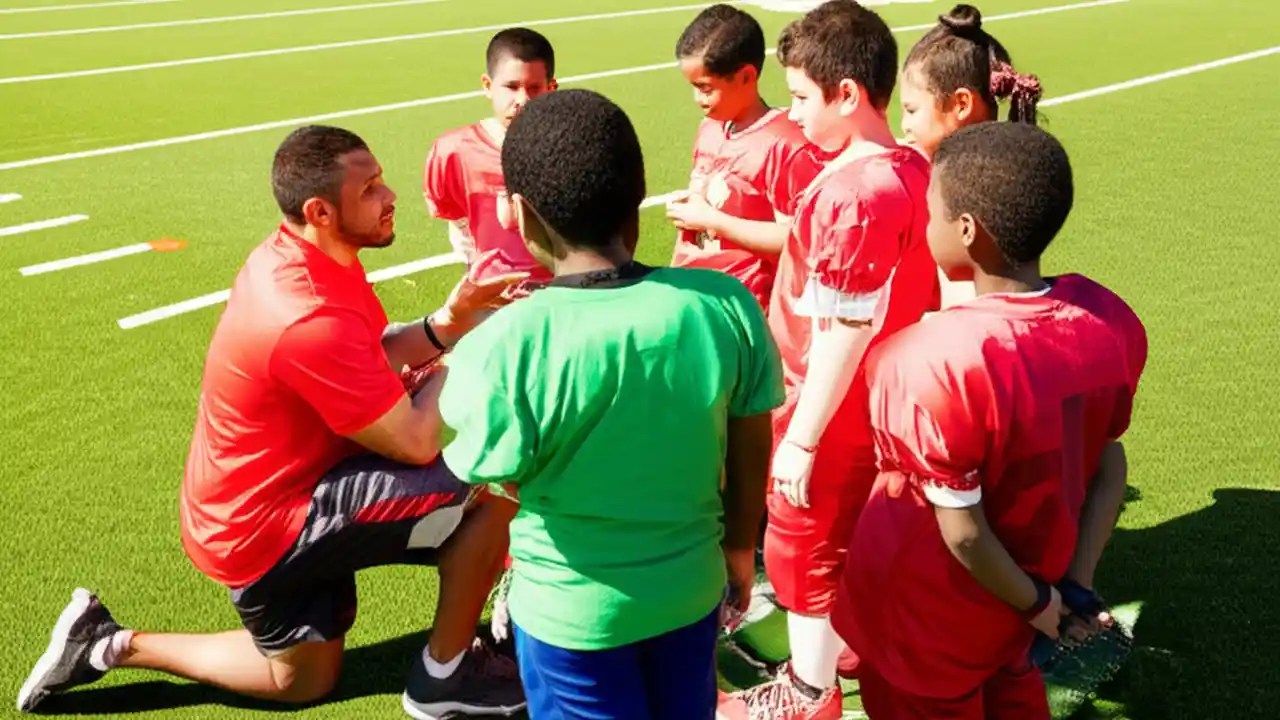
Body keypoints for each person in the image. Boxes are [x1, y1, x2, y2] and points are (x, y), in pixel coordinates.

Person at [18, 125, 528, 720]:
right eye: (370, 189)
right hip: (267, 525)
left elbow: (365, 359)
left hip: (254, 503)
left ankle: (105, 643)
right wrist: (467, 354)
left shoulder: (306, 258)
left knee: (301, 684)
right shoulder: (305, 312)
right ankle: (446, 676)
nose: (390, 197)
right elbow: (414, 441)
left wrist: (449, 324)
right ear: (320, 210)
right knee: (495, 480)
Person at [435, 88, 783, 719]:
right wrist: (737, 550)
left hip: (572, 616)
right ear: (637, 199)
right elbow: (751, 437)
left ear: (517, 212)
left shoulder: (508, 340)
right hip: (690, 589)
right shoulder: (723, 304)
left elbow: (493, 473)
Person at [833, 121, 1148, 720]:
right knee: (1011, 686)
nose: (926, 227)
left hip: (925, 619)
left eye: (932, 213)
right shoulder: (1108, 321)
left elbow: (964, 533)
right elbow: (1111, 462)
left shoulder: (928, 358)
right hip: (1023, 596)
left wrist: (1041, 606)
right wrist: (1068, 586)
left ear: (968, 231)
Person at [719, 3, 939, 718]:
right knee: (844, 541)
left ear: (847, 94)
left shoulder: (855, 192)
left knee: (802, 548)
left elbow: (845, 325)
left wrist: (803, 438)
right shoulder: (904, 166)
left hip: (831, 403)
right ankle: (833, 653)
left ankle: (809, 693)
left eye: (802, 97)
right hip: (873, 395)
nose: (794, 112)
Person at [665, 3, 825, 310]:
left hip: (747, 306)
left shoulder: (786, 144)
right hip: (697, 295)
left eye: (705, 88)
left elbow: (797, 240)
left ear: (746, 76)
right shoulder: (709, 129)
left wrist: (714, 220)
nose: (697, 99)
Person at [898, 3, 1044, 308]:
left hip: (971, 328)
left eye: (911, 110)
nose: (904, 125)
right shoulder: (1004, 163)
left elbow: (965, 297)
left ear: (961, 104)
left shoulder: (974, 184)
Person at [423, 27, 557, 286]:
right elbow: (459, 223)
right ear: (487, 85)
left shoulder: (567, 147)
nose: (523, 99)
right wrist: (479, 271)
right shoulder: (455, 150)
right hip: (494, 293)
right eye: (511, 86)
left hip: (559, 289)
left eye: (534, 87)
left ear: (551, 88)